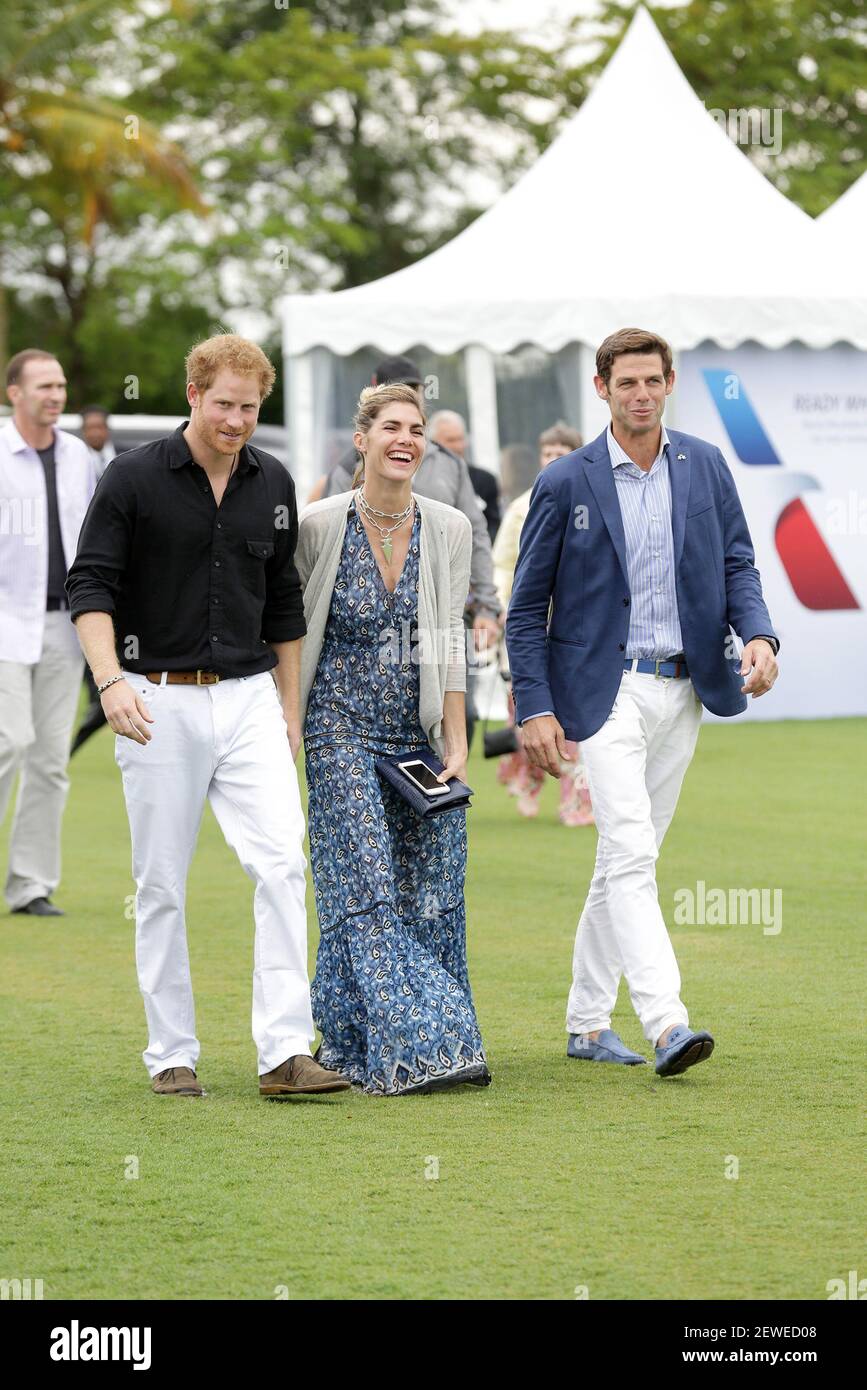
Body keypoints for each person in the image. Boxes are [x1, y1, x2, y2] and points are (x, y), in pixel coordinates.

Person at [66, 333, 349, 1101]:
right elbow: (88, 586)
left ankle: (285, 1053)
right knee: (159, 883)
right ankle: (171, 1053)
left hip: (252, 697)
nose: (236, 420)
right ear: (194, 395)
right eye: (223, 404)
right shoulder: (131, 480)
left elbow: (284, 603)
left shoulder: (274, 482)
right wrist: (111, 681)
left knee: (282, 866)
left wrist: (289, 711)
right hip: (153, 699)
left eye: (250, 407)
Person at [507, 327, 780, 1077]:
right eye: (625, 383)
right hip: (604, 691)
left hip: (686, 687)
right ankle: (666, 1022)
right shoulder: (566, 482)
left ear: (668, 384)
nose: (640, 394)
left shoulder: (706, 465)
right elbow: (526, 608)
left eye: (652, 382)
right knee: (629, 851)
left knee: (627, 858)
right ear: (601, 388)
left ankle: (587, 1023)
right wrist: (533, 706)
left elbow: (737, 563)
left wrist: (758, 637)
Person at [296, 382, 490, 1096]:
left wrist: (456, 737)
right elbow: (290, 634)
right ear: (363, 439)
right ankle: (427, 1041)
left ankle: (350, 1039)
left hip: (414, 732)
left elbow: (446, 637)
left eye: (416, 430)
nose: (406, 439)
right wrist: (290, 723)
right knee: (363, 880)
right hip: (337, 723)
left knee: (434, 883)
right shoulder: (317, 526)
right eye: (391, 428)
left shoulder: (448, 528)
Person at [309, 356, 502, 659]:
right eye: (397, 390)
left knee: (459, 700)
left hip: (443, 622)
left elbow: (476, 535)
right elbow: (324, 551)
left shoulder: (450, 465)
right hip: (360, 638)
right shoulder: (347, 468)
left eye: (414, 389)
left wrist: (487, 607)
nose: (407, 396)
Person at [0, 349, 96, 916]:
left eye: (60, 385)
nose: (55, 394)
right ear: (15, 393)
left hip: (66, 623)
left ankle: (30, 885)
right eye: (43, 386)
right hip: (5, 619)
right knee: (10, 741)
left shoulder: (80, 455)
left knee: (50, 758)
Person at [493, 421, 593, 826]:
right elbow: (502, 564)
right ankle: (527, 781)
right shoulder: (522, 507)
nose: (553, 459)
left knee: (576, 721)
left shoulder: (591, 503)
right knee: (527, 716)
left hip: (574, 634)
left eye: (561, 452)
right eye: (547, 453)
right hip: (527, 631)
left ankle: (577, 801)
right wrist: (503, 605)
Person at [428, 409, 501, 541]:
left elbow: (493, 527)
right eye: (450, 440)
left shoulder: (486, 480)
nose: (458, 446)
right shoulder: (422, 481)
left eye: (461, 439)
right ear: (432, 444)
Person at [79, 405, 119, 479]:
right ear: (83, 430)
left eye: (99, 427)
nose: (95, 433)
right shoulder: (76, 458)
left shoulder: (125, 454)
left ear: (107, 428)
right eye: (90, 428)